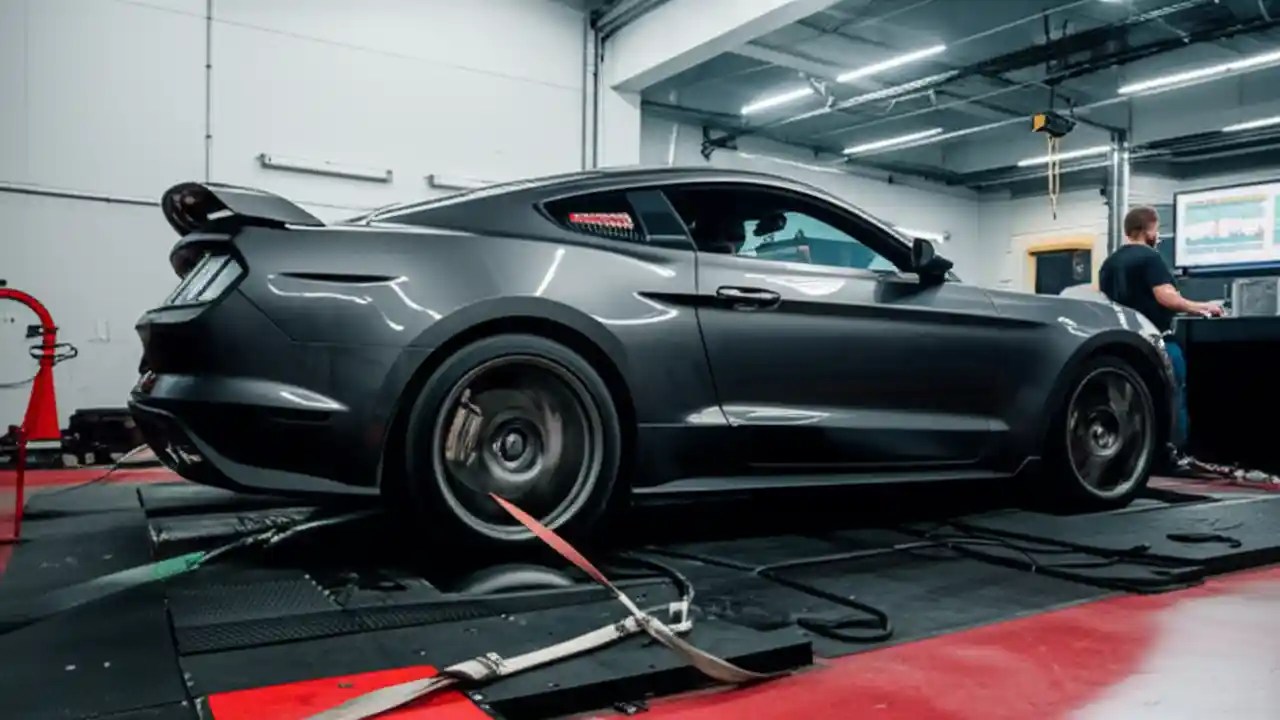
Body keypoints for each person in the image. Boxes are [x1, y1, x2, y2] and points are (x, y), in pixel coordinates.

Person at [1098, 206, 1224, 457]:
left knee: (1136, 403)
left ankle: (1138, 456)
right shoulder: (1150, 258)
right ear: (1147, 231)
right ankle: (1174, 454)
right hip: (1159, 343)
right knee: (1173, 396)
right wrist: (1204, 308)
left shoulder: (1109, 263)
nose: (1158, 236)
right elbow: (1166, 298)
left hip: (1126, 345)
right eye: (1156, 230)